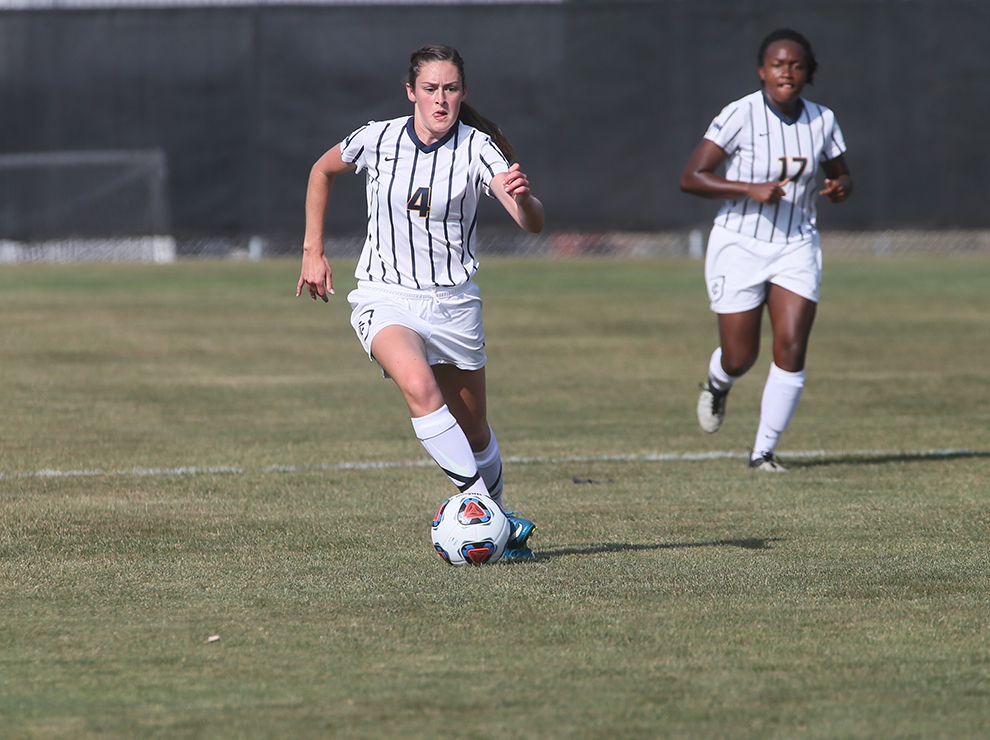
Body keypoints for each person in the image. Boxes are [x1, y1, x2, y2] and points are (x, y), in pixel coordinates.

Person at [297, 45, 545, 556]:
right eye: (430, 89)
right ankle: (487, 511)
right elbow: (321, 172)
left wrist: (524, 198)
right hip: (385, 296)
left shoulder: (479, 148)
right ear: (410, 92)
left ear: (463, 93)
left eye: (450, 89)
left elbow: (530, 220)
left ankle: (497, 522)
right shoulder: (377, 138)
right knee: (417, 384)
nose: (441, 99)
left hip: (453, 304)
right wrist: (312, 251)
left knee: (474, 429)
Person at [679, 29, 853, 471]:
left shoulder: (822, 119)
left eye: (796, 64)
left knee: (791, 346)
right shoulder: (740, 114)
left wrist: (839, 188)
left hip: (796, 243)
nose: (787, 72)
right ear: (762, 71)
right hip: (740, 243)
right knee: (741, 356)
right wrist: (748, 188)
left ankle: (763, 453)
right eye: (778, 64)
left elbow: (842, 175)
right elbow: (692, 177)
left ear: (808, 73)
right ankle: (719, 383)